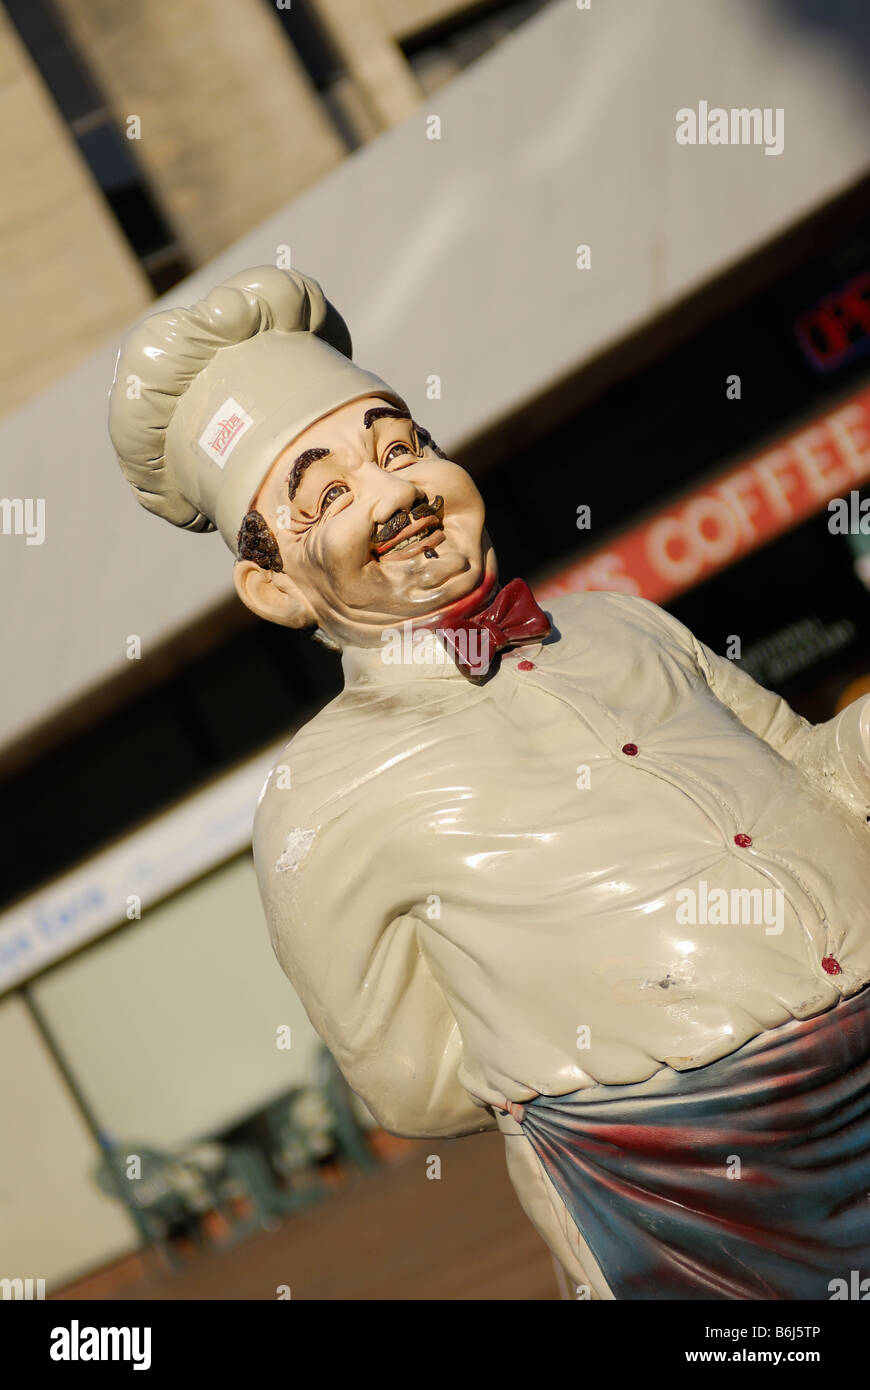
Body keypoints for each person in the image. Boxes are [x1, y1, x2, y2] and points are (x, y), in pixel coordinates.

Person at [110, 266, 870, 1300]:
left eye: (402, 447)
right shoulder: (319, 798)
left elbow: (813, 776)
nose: (396, 490)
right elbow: (411, 1077)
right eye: (330, 492)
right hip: (690, 1186)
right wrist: (608, 1028)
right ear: (276, 586)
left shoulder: (622, 622)